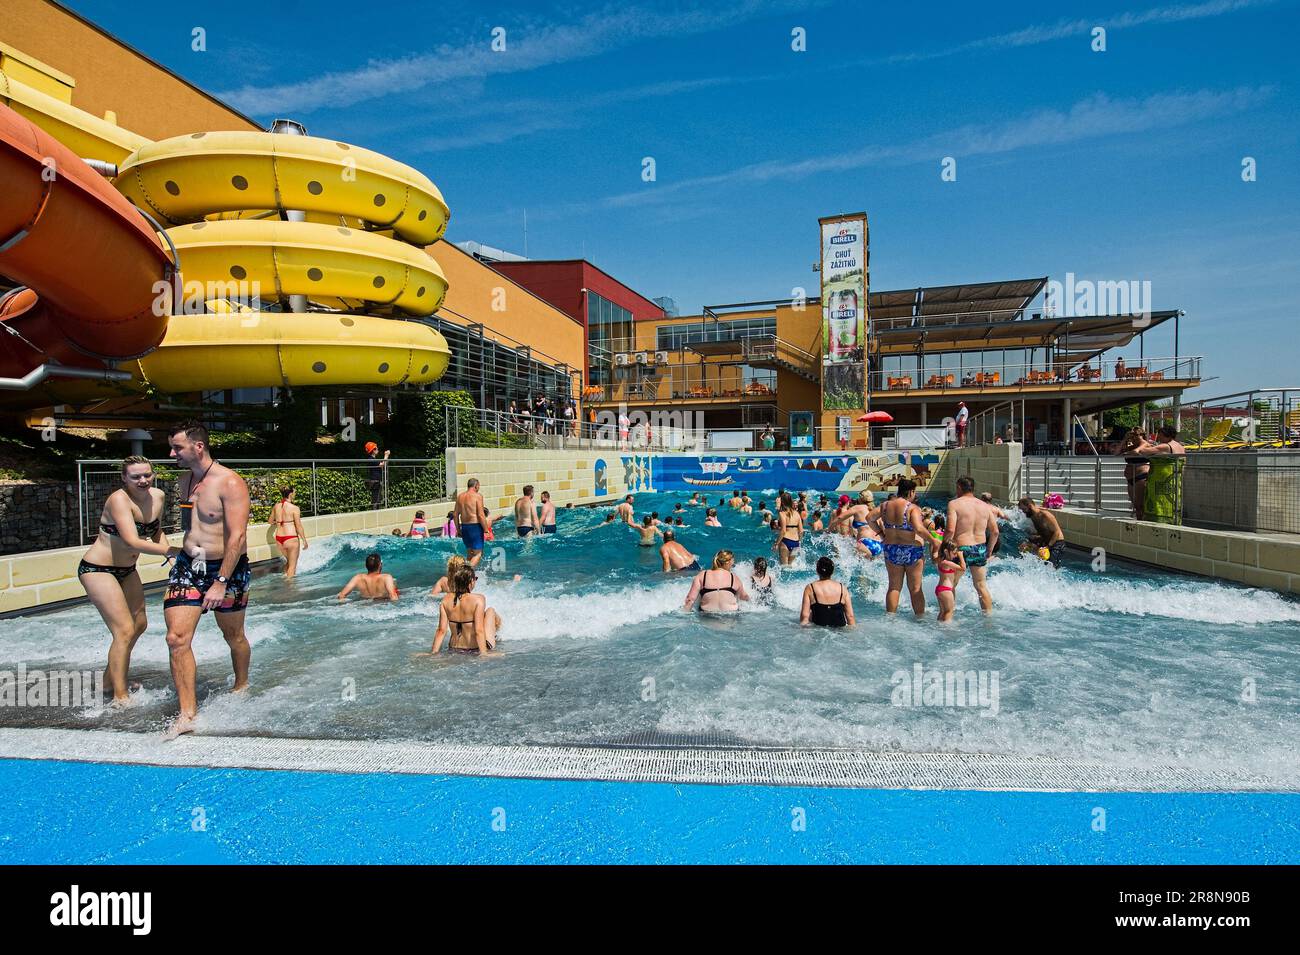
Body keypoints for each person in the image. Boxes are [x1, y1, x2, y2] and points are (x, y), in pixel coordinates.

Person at [162, 421, 252, 738]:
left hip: (227, 569)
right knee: (176, 638)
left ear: (197, 446)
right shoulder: (187, 480)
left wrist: (222, 581)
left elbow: (237, 537)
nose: (172, 453)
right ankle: (187, 714)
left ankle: (241, 684)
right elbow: (192, 525)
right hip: (190, 565)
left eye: (177, 447)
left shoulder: (230, 483)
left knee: (234, 636)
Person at [78, 455, 178, 707]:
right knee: (123, 630)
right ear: (124, 478)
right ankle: (119, 696)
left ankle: (109, 679)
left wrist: (166, 551)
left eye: (147, 475)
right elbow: (133, 541)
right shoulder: (118, 500)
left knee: (139, 624)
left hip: (127, 569)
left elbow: (155, 530)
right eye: (135, 476)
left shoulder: (158, 497)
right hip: (98, 569)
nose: (142, 480)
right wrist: (174, 550)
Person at [945, 475, 999, 612]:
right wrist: (989, 551)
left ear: (959, 487)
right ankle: (988, 618)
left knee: (951, 584)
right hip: (979, 548)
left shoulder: (954, 504)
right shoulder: (985, 506)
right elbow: (995, 532)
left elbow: (950, 530)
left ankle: (949, 616)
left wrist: (943, 547)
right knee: (981, 585)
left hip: (960, 549)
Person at [423, 565, 502, 657]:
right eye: (475, 579)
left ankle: (496, 636)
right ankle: (497, 636)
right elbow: (479, 630)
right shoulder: (479, 599)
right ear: (471, 581)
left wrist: (433, 653)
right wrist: (484, 653)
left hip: (454, 649)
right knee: (490, 611)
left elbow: (441, 631)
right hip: (475, 649)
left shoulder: (445, 600)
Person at [876, 478, 927, 617]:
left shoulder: (885, 505)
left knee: (894, 587)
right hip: (911, 550)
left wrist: (881, 534)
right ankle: (920, 619)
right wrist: (934, 540)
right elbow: (919, 529)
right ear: (911, 492)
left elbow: (870, 518)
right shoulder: (912, 508)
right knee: (915, 588)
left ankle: (890, 618)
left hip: (891, 549)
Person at [1136, 425, 1187, 525]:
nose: (1158, 438)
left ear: (1165, 435)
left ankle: (1159, 521)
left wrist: (1144, 443)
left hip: (1160, 480)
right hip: (1174, 478)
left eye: (1159, 435)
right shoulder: (1180, 446)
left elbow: (1142, 451)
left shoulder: (1165, 446)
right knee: (1172, 500)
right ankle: (1173, 521)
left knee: (1159, 501)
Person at [683, 550, 750, 613]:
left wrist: (684, 615)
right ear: (728, 562)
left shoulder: (702, 575)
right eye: (733, 562)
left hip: (707, 616)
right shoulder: (734, 577)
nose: (733, 564)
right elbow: (743, 597)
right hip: (730, 616)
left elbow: (690, 599)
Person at [800, 556, 855, 628]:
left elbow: (805, 616)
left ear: (817, 571)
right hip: (839, 630)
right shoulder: (842, 588)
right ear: (832, 571)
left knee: (811, 615)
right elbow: (850, 616)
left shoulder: (810, 588)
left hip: (819, 628)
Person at [267, 486, 309, 577]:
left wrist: (279, 523)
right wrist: (304, 540)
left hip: (279, 539)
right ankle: (289, 589)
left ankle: (285, 581)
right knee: (292, 566)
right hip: (291, 538)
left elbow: (270, 521)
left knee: (289, 563)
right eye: (294, 493)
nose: (295, 494)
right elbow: (298, 526)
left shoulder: (276, 506)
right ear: (290, 494)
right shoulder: (294, 508)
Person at [1019, 497, 1066, 567]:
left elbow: (1057, 532)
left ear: (1029, 506)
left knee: (1051, 567)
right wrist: (1029, 542)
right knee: (1023, 546)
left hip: (1057, 543)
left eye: (1024, 509)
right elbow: (1042, 532)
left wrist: (1048, 547)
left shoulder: (1046, 515)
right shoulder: (1033, 516)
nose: (1023, 512)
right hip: (1046, 540)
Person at [454, 478, 488, 567]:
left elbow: (455, 515)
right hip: (475, 527)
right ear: (476, 485)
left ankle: (469, 576)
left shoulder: (460, 497)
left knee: (470, 554)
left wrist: (458, 529)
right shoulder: (477, 496)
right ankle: (465, 575)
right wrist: (486, 529)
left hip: (465, 527)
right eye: (479, 486)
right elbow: (481, 515)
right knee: (477, 554)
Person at [1120, 427, 1151, 521]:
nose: (1135, 437)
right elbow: (1117, 452)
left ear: (1142, 435)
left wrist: (1126, 453)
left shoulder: (1145, 444)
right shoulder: (1131, 445)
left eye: (1137, 435)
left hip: (1141, 475)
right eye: (1132, 435)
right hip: (1130, 478)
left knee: (1140, 503)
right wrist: (1125, 439)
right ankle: (1139, 520)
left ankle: (1143, 521)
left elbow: (1135, 452)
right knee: (1135, 504)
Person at [933, 539, 967, 622]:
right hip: (946, 590)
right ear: (946, 551)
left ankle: (939, 626)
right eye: (954, 553)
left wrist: (935, 544)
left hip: (940, 589)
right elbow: (963, 568)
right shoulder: (946, 563)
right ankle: (947, 629)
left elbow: (934, 555)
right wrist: (961, 556)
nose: (955, 555)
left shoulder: (940, 560)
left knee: (942, 612)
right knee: (949, 611)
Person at [776, 492, 803, 566]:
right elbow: (801, 531)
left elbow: (783, 531)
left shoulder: (782, 514)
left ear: (782, 501)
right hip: (796, 543)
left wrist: (776, 543)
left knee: (784, 567)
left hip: (786, 541)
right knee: (790, 567)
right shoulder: (797, 513)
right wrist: (799, 542)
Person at [365, 442, 390, 507]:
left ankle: (376, 511)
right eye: (376, 448)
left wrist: (386, 458)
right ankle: (374, 513)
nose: (377, 449)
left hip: (376, 481)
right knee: (376, 499)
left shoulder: (373, 459)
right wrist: (386, 455)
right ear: (372, 450)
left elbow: (383, 464)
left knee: (378, 498)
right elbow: (382, 465)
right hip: (374, 481)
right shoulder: (370, 459)